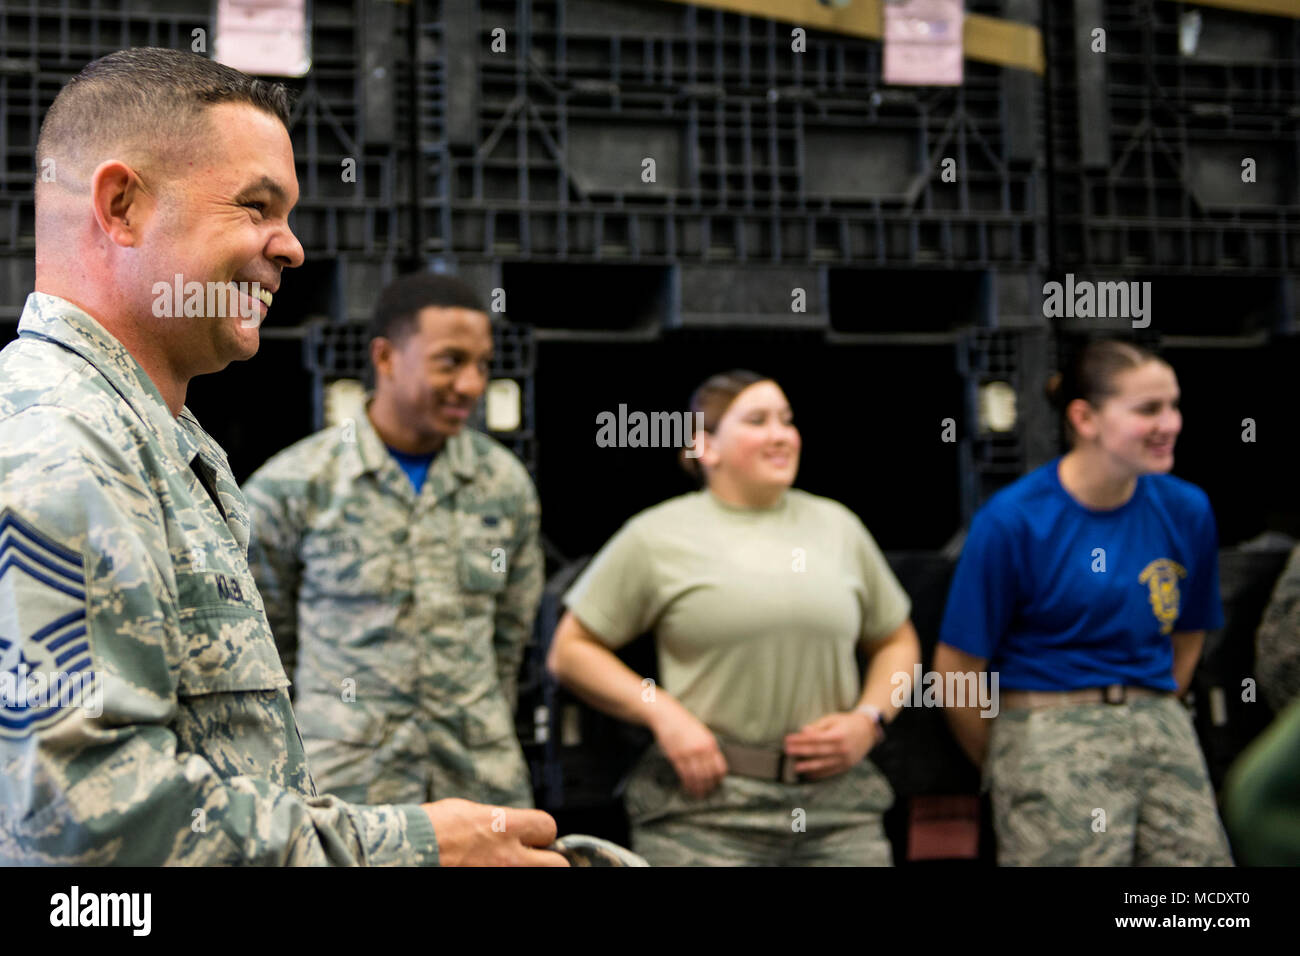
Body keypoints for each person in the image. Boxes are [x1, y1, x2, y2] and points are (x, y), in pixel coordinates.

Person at [0, 47, 564, 866]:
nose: (292, 247)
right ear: (121, 206)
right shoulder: (62, 446)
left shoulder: (156, 439)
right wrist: (416, 846)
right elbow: (89, 825)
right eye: (256, 206)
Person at [547, 370, 921, 866]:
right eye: (757, 420)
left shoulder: (839, 527)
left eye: (787, 421)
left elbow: (896, 640)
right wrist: (663, 712)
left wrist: (869, 719)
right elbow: (571, 651)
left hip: (838, 815)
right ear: (706, 447)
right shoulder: (657, 536)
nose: (780, 434)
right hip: (706, 817)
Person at [243, 272, 542, 809]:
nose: (472, 384)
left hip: (476, 779)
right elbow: (263, 643)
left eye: (483, 365)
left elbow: (510, 637)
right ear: (385, 358)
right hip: (348, 790)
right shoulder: (295, 486)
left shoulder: (505, 486)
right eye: (450, 361)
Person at [935, 339, 1232, 866]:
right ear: (1085, 418)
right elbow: (958, 669)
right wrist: (1013, 759)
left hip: (1161, 727)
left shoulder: (1187, 509)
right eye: (1148, 410)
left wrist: (1150, 706)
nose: (1170, 424)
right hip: (1048, 731)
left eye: (1173, 405)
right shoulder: (1013, 521)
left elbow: (1189, 634)